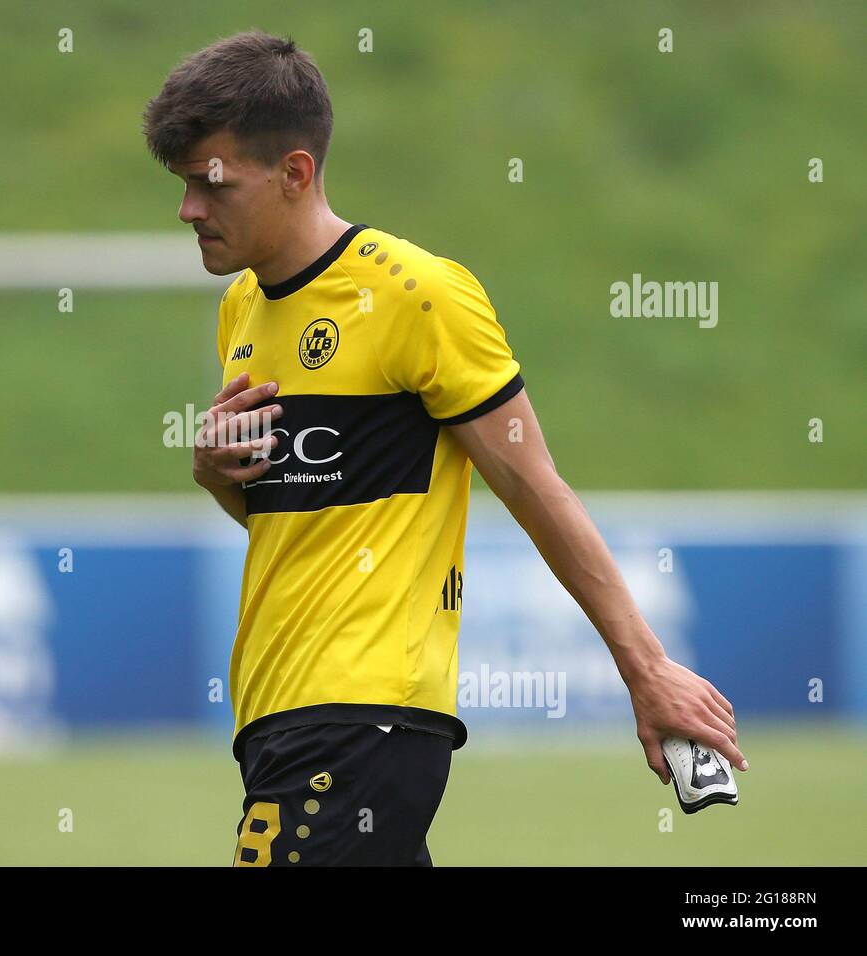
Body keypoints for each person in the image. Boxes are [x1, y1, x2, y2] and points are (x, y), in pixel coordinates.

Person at [143, 32, 745, 866]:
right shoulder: (241, 309)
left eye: (211, 185)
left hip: (360, 712)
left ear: (294, 172)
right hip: (277, 711)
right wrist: (216, 478)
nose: (189, 210)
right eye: (181, 187)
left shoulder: (416, 294)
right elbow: (305, 521)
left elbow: (534, 485)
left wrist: (647, 668)